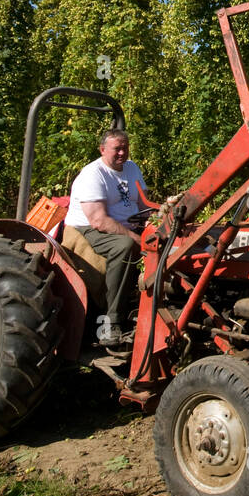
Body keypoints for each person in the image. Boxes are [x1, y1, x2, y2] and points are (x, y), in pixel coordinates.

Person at [64, 128, 147, 346]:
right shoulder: (93, 174)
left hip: (127, 224)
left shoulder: (132, 168)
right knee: (125, 246)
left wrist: (160, 219)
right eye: (117, 149)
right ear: (102, 150)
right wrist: (137, 239)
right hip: (90, 228)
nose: (122, 153)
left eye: (125, 148)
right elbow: (99, 221)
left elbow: (144, 204)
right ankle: (111, 324)